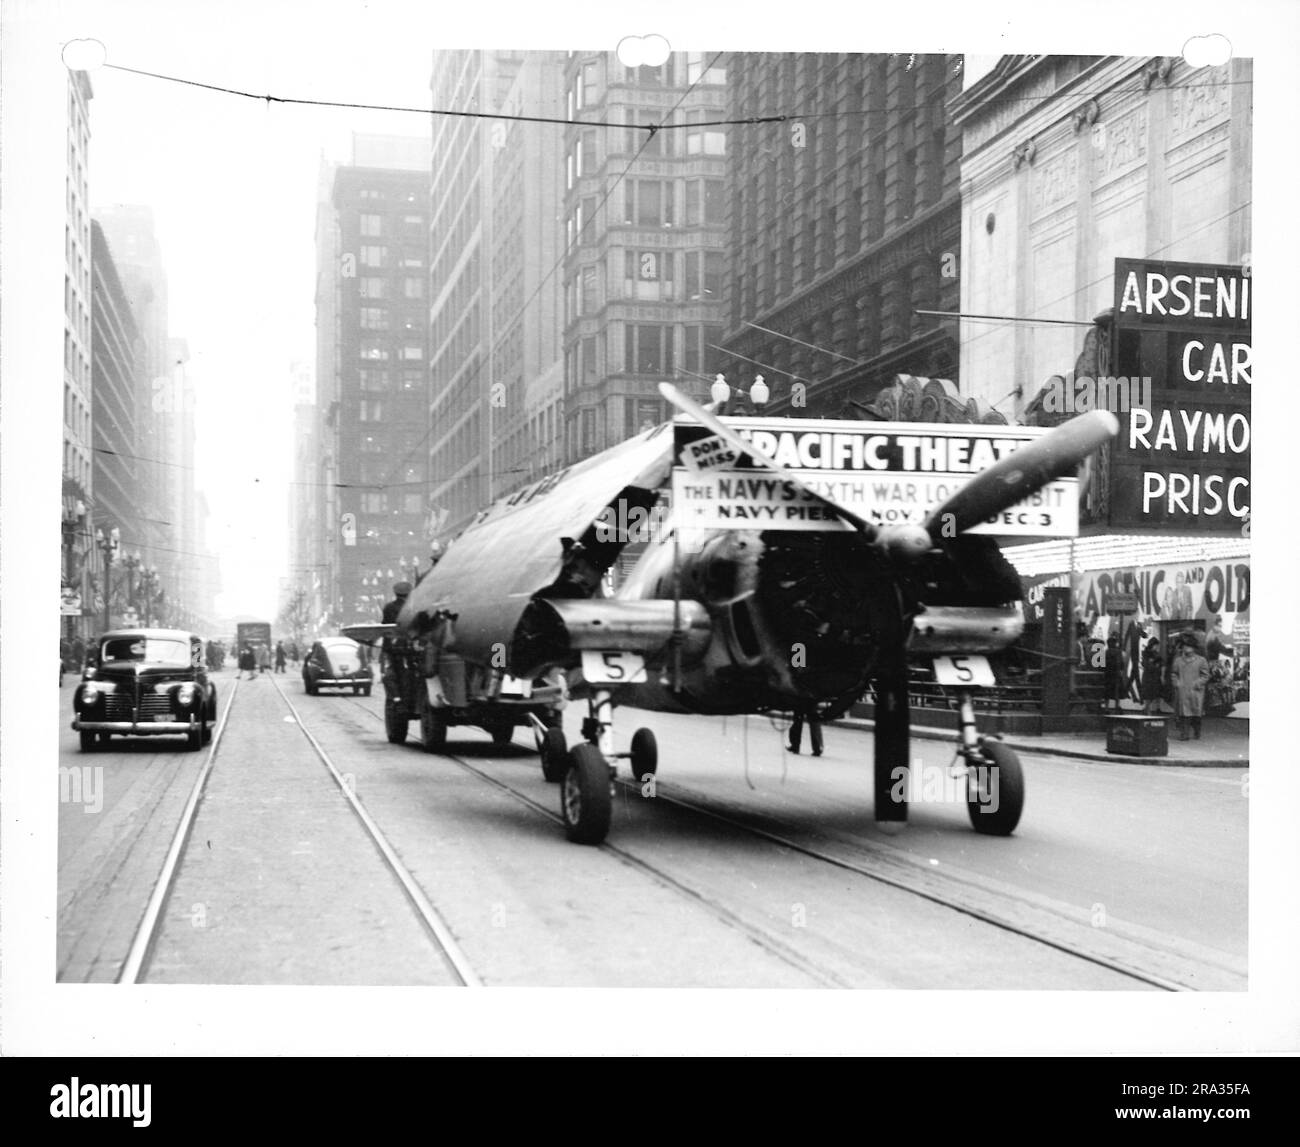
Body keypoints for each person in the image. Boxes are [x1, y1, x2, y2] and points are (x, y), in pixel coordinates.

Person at [1170, 639, 1209, 740]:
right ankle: (1184, 734)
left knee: (1196, 714)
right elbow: (1174, 673)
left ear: (1193, 648)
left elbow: (1205, 675)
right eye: (1184, 646)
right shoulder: (1178, 660)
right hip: (1182, 690)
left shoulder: (1201, 660)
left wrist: (1197, 683)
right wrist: (1176, 682)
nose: (1186, 648)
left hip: (1195, 691)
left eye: (1188, 646)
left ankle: (1197, 731)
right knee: (1183, 713)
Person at [1103, 634, 1125, 712]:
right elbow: (1122, 663)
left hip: (1107, 675)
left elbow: (1102, 665)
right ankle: (1117, 706)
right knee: (1117, 692)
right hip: (1116, 674)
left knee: (1107, 693)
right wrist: (1121, 672)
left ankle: (1106, 708)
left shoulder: (1105, 652)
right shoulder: (1118, 652)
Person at [1140, 638, 1163, 714]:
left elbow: (1159, 664)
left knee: (1154, 693)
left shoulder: (1155, 654)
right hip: (1149, 676)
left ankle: (1147, 709)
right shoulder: (1146, 653)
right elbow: (1146, 664)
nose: (1157, 647)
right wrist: (1155, 665)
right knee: (1148, 694)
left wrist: (1154, 664)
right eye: (1156, 645)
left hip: (1154, 676)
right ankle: (1147, 710)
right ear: (1152, 645)